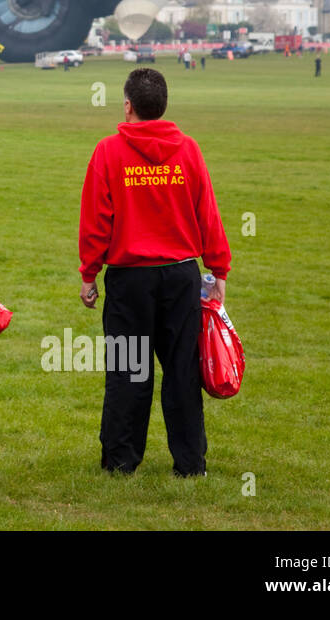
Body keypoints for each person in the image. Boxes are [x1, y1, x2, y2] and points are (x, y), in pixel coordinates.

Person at [78, 68, 231, 477]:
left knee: (130, 369)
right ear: (163, 106)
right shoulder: (189, 150)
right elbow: (208, 214)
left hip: (130, 281)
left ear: (128, 105)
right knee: (182, 369)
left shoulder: (108, 152)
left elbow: (97, 221)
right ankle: (190, 463)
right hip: (182, 277)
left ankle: (121, 459)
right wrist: (218, 271)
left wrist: (89, 274)